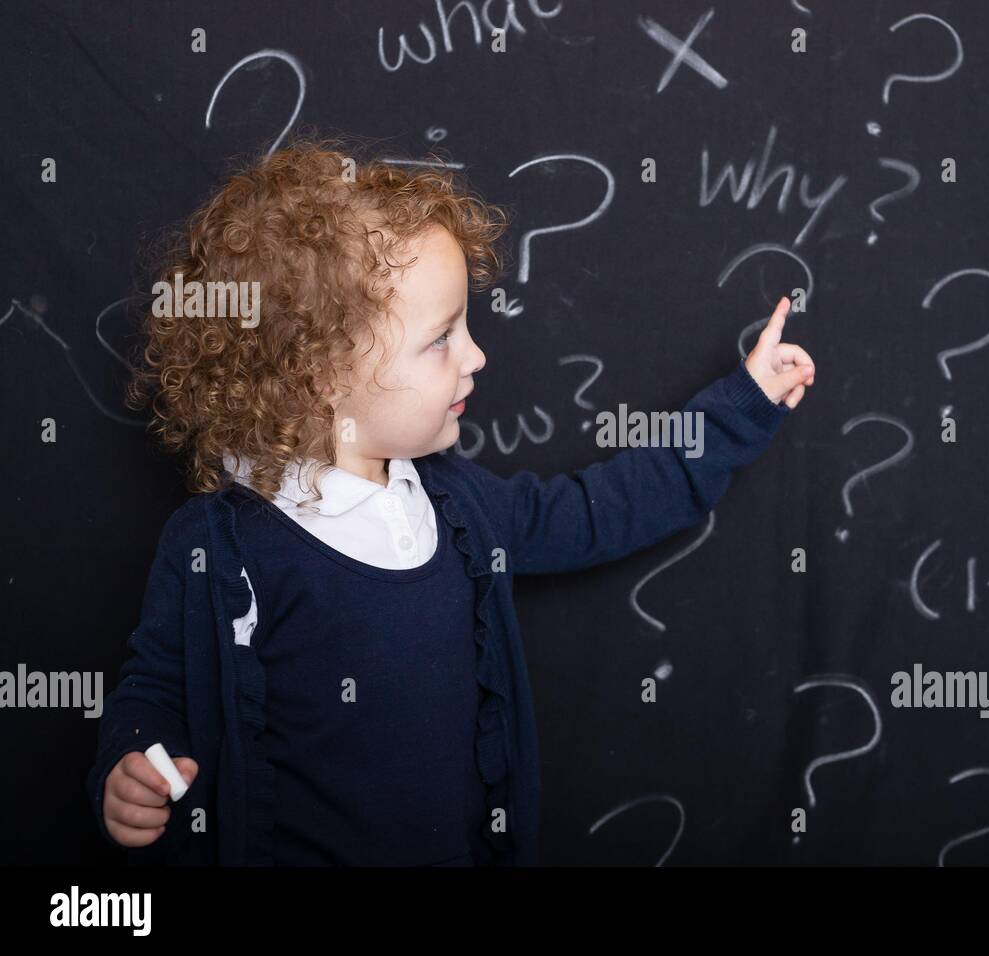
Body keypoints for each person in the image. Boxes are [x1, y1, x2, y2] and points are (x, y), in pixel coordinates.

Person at [87, 135, 815, 865]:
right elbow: (156, 687)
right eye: (442, 339)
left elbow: (599, 511)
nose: (476, 357)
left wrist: (738, 409)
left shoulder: (458, 507)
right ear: (319, 376)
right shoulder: (223, 547)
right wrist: (132, 762)